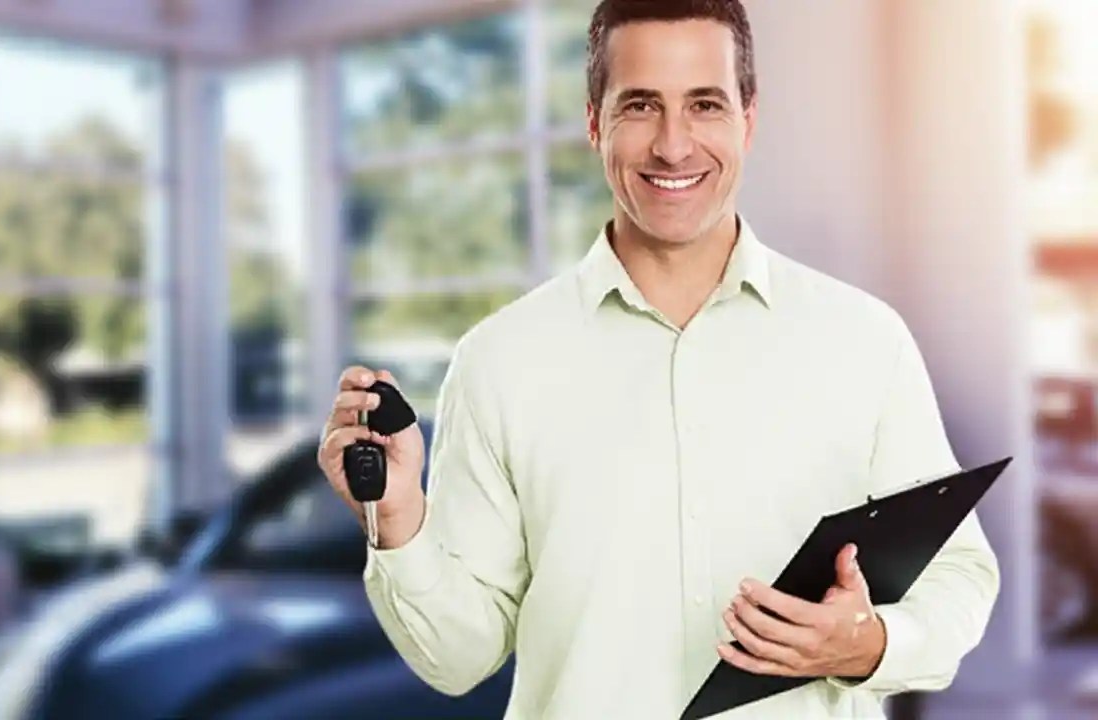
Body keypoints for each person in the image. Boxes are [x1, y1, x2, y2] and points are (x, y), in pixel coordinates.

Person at [317, 0, 1000, 717]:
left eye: (704, 105)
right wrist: (397, 522)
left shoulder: (864, 341)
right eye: (641, 106)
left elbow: (958, 575)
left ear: (749, 118)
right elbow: (457, 660)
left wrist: (870, 643)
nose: (673, 146)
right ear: (593, 122)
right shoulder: (500, 361)